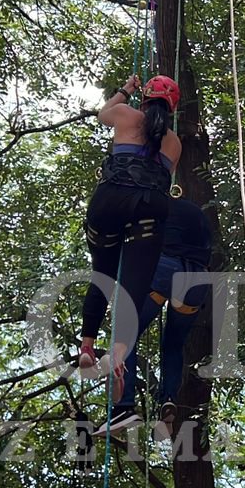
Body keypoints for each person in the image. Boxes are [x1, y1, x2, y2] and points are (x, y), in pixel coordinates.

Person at [78, 73, 182, 382]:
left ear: (145, 98)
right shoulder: (175, 143)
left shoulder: (125, 114)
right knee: (137, 282)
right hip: (148, 206)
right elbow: (164, 176)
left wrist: (126, 89)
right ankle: (119, 351)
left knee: (104, 273)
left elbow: (102, 114)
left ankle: (87, 343)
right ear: (172, 108)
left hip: (108, 201)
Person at [97, 197, 214, 435]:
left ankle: (124, 407)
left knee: (125, 335)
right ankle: (168, 398)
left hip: (163, 270)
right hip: (197, 281)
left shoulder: (146, 205)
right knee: (173, 344)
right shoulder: (194, 211)